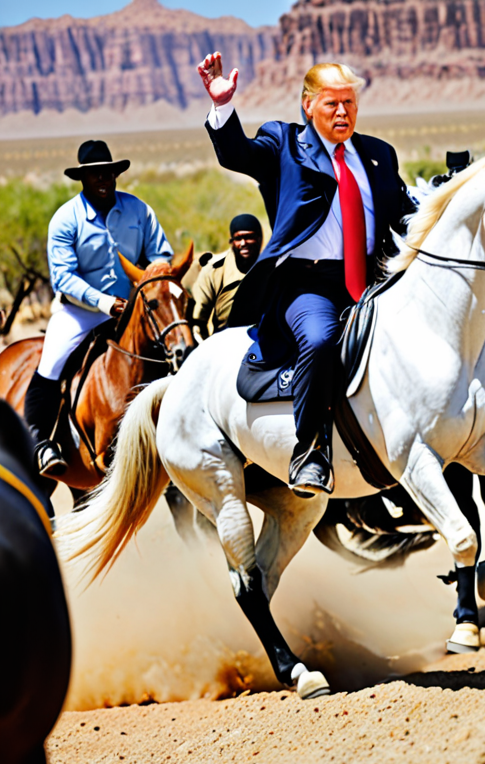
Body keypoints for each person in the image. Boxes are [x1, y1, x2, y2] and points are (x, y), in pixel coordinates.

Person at [198, 52, 415, 497]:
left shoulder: (378, 154)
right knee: (318, 341)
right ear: (307, 105)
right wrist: (222, 107)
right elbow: (238, 154)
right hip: (307, 285)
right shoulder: (284, 144)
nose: (342, 112)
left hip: (373, 283)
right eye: (332, 103)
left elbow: (407, 212)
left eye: (349, 104)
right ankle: (310, 451)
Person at [25, 140, 173, 476]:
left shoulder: (139, 211)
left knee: (174, 352)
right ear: (83, 179)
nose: (104, 179)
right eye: (96, 175)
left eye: (108, 173)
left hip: (132, 308)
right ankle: (41, 442)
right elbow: (63, 278)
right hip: (80, 311)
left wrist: (148, 284)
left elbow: (160, 256)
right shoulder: (66, 219)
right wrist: (104, 302)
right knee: (51, 363)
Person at [190, 214, 263, 338]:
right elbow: (198, 323)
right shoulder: (213, 271)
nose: (243, 243)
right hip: (224, 343)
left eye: (249, 237)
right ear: (231, 242)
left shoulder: (271, 270)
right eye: (238, 238)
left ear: (259, 239)